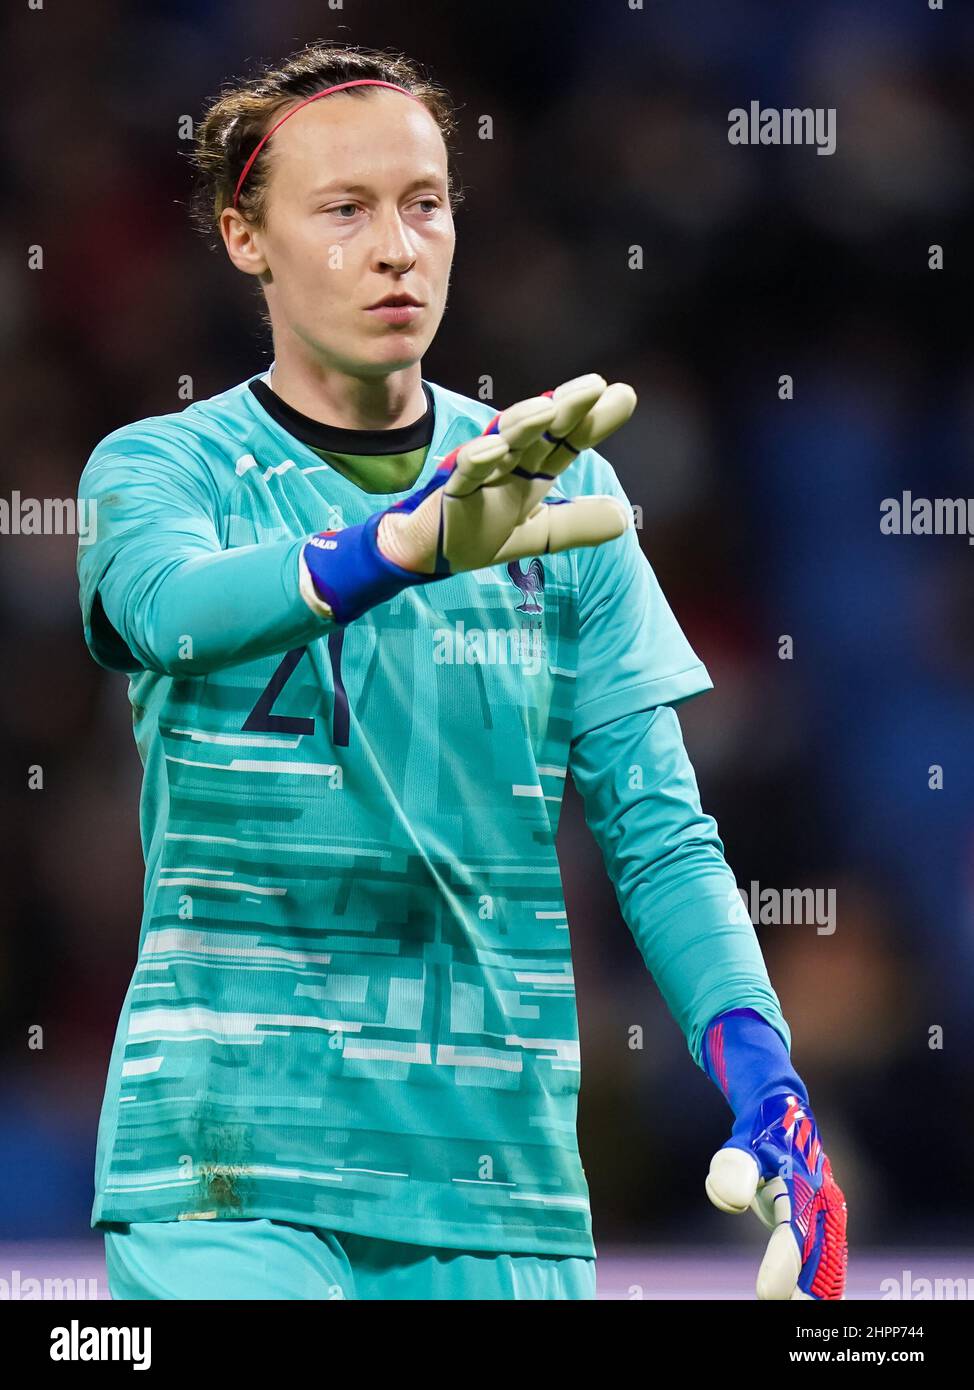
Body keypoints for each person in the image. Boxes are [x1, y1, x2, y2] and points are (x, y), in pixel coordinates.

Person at [76, 41, 846, 1301]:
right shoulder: (163, 468)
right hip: (221, 1172)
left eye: (424, 202)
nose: (397, 246)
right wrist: (399, 546)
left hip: (501, 1184)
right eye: (343, 209)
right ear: (242, 237)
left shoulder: (561, 488)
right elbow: (166, 611)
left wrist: (768, 1079)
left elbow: (657, 833)